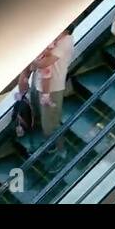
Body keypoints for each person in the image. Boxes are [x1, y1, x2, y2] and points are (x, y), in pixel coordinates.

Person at [28, 25, 75, 171]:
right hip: (40, 84)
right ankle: (52, 146)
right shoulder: (54, 36)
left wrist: (34, 59)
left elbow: (43, 63)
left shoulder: (65, 41)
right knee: (44, 119)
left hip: (53, 88)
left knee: (51, 125)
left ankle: (62, 153)